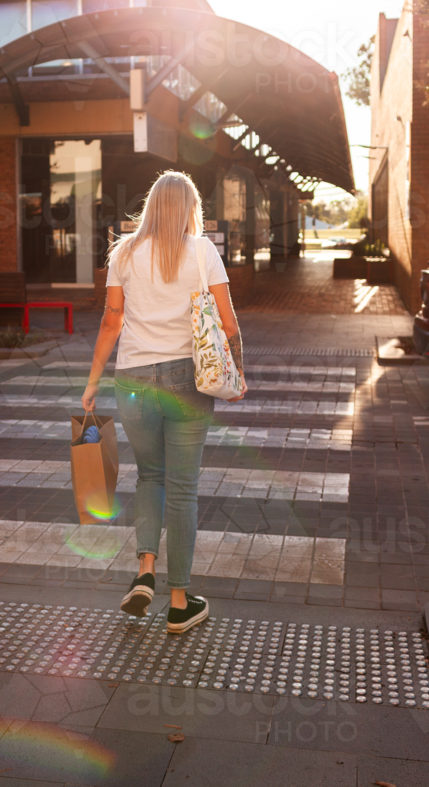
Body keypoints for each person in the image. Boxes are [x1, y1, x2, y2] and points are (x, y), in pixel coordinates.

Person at [81, 171, 247, 634]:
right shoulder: (202, 251)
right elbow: (228, 325)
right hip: (187, 381)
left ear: (152, 206)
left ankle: (144, 572)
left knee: (149, 476)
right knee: (182, 488)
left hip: (132, 381)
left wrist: (93, 381)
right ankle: (179, 602)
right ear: (190, 208)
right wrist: (237, 371)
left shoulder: (124, 251)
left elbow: (111, 322)